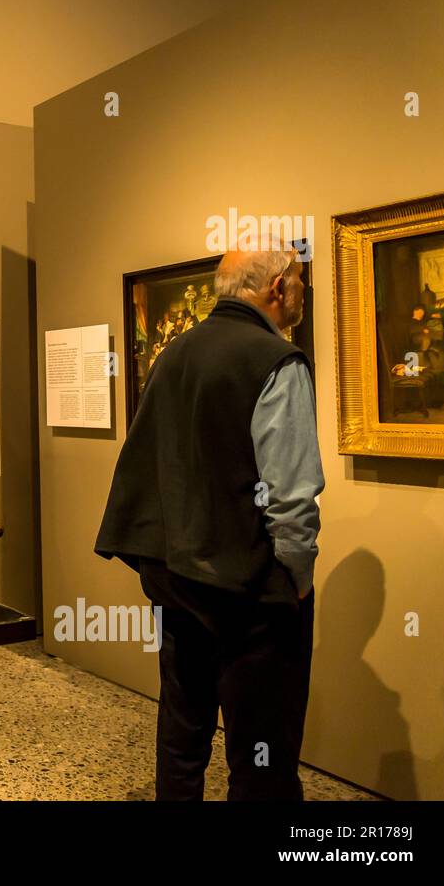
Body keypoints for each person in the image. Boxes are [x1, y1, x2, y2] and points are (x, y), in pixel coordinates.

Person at [95, 240, 322, 800]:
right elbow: (291, 494)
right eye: (298, 283)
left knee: (183, 729)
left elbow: (155, 463)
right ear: (277, 287)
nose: (301, 294)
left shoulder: (175, 351)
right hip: (250, 589)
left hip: (178, 578)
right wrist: (297, 579)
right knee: (262, 750)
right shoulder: (276, 360)